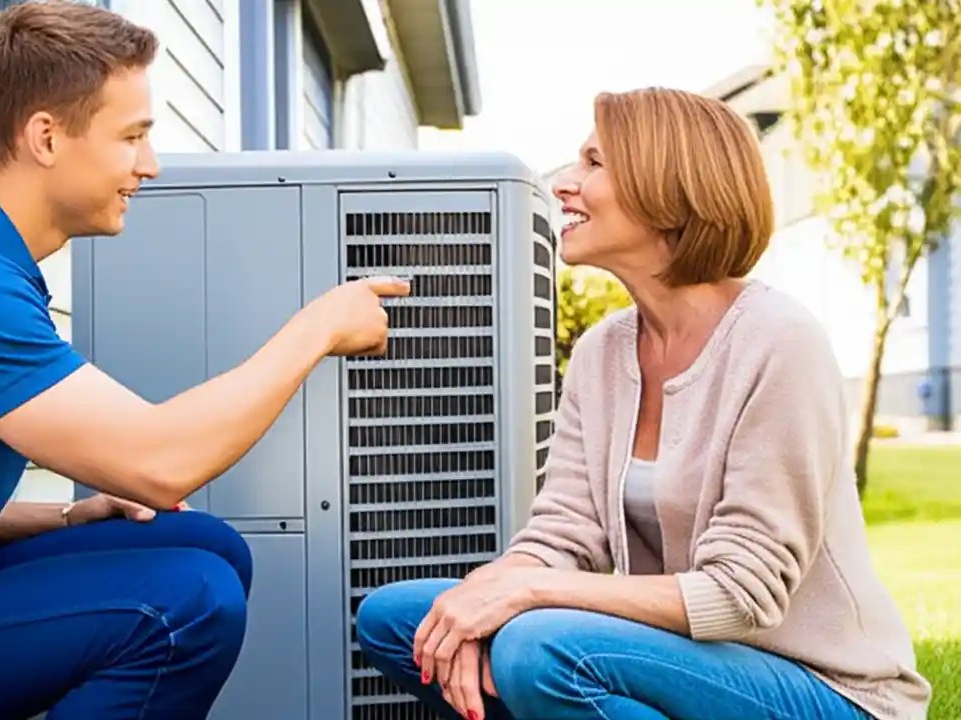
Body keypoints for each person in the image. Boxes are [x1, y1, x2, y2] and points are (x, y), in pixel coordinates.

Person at [0, 3, 409, 719]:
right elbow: (159, 463)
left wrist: (68, 516)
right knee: (186, 603)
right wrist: (315, 329)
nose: (148, 166)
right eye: (132, 137)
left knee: (208, 546)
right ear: (47, 137)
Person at [354, 87, 932, 720]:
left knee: (535, 650)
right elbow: (560, 532)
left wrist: (525, 591)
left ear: (668, 189)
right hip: (689, 659)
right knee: (402, 620)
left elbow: (743, 597)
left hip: (825, 686)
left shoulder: (778, 341)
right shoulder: (602, 354)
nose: (566, 185)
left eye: (594, 163)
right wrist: (490, 597)